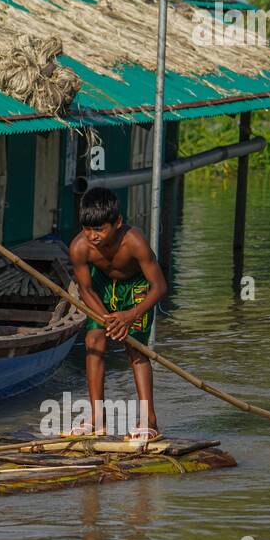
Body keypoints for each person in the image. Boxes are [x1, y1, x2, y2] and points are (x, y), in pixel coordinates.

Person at [68, 186, 168, 441]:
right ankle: (96, 418)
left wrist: (130, 316)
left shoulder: (134, 241)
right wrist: (108, 320)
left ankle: (149, 420)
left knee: (136, 350)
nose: (93, 236)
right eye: (88, 229)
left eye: (100, 229)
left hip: (137, 287)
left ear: (118, 222)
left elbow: (159, 287)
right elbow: (86, 289)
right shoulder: (79, 247)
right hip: (101, 287)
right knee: (93, 340)